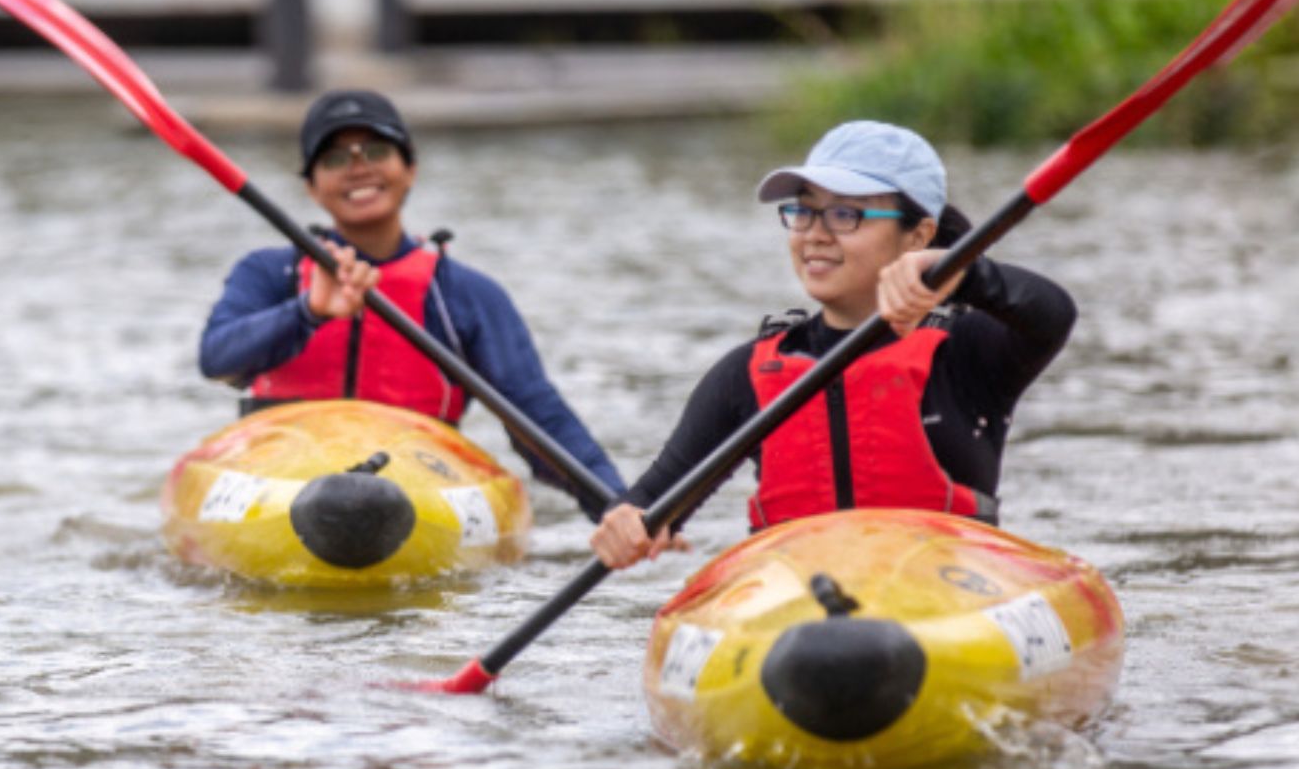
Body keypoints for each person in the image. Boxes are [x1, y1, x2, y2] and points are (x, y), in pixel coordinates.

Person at [590, 120, 1076, 568]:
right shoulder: (747, 375)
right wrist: (623, 522)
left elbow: (1053, 314)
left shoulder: (967, 352)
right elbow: (649, 502)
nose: (815, 235)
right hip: (800, 618)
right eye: (803, 212)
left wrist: (962, 272)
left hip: (943, 596)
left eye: (845, 214)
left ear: (918, 236)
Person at [199, 88, 625, 520]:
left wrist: (616, 505)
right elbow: (217, 359)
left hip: (416, 476)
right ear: (311, 187)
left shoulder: (465, 294)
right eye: (334, 158)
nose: (358, 168)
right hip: (281, 470)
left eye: (377, 150)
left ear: (410, 168)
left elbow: (537, 414)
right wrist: (308, 310)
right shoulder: (272, 273)